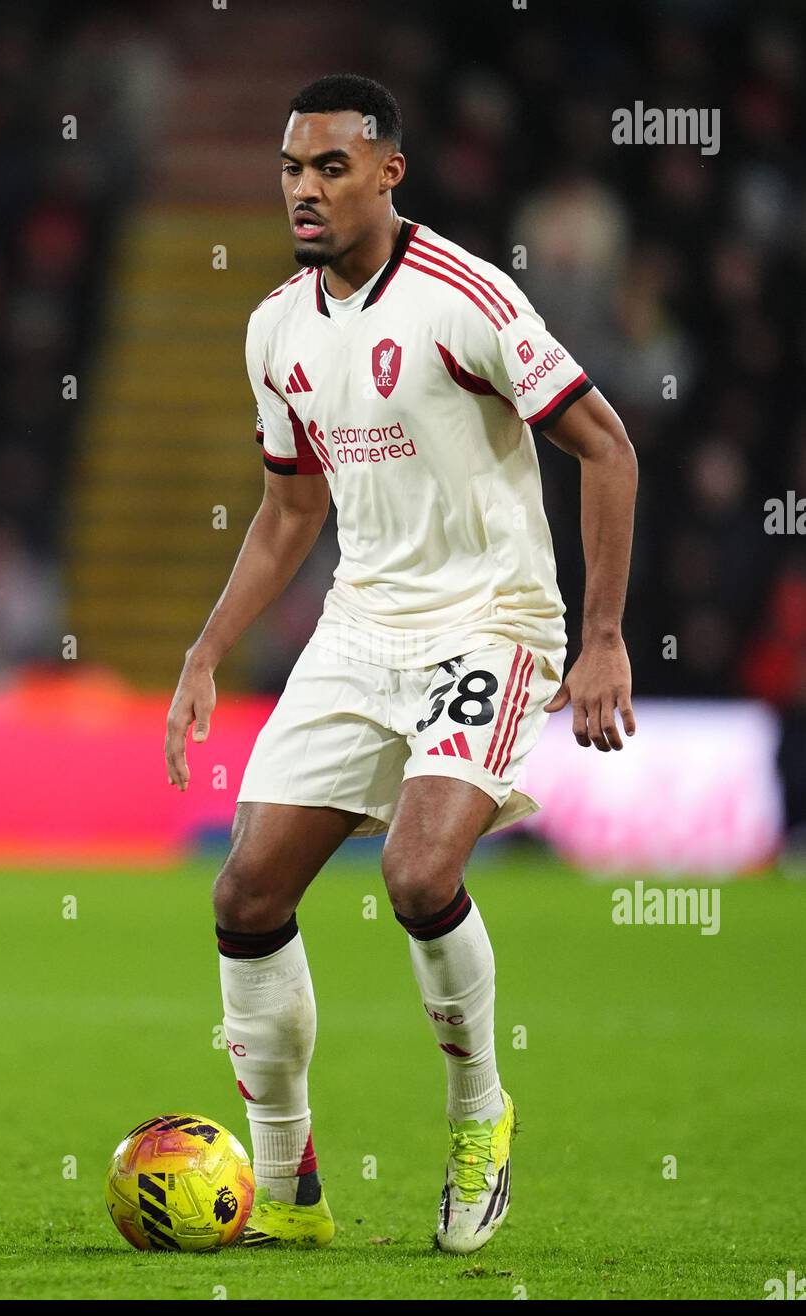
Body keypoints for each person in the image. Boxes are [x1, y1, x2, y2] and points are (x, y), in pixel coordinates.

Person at [165, 74, 638, 1255]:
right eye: (290, 169)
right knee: (245, 895)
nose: (305, 190)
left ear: (388, 172)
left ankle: (481, 1119)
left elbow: (606, 446)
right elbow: (286, 514)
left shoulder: (463, 297)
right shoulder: (275, 327)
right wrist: (206, 651)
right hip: (357, 628)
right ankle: (287, 1190)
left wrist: (601, 637)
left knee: (420, 877)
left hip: (489, 618)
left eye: (330, 166)